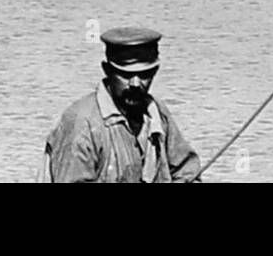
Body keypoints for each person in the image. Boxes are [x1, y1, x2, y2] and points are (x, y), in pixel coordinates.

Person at [40, 27, 201, 183]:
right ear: (107, 70)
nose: (136, 84)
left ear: (155, 71)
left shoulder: (157, 114)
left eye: (144, 75)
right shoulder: (81, 124)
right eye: (126, 75)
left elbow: (186, 171)